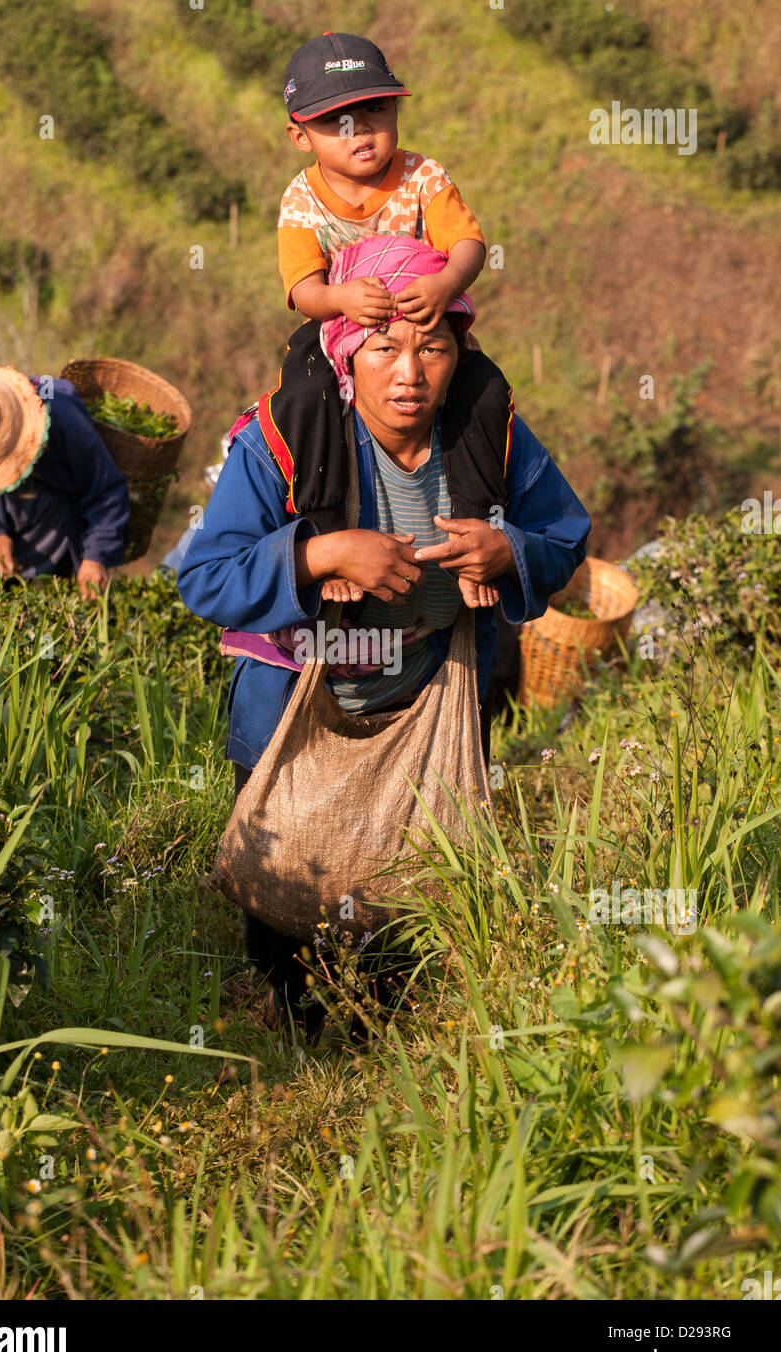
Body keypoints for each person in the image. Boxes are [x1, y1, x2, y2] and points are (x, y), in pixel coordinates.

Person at [178, 240, 591, 1035]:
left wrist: (509, 551)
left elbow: (564, 534)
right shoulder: (284, 437)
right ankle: (291, 1012)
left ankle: (384, 1025)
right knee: (283, 891)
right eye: (385, 348)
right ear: (345, 358)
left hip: (425, 690)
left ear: (457, 353)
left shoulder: (486, 431)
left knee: (409, 890)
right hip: (295, 699)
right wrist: (322, 553)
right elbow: (208, 575)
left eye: (433, 347)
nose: (411, 373)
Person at [266, 31, 514, 532]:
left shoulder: (424, 176)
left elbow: (469, 244)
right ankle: (323, 524)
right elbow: (302, 289)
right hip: (339, 328)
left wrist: (447, 284)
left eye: (375, 111)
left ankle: (474, 525)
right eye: (337, 122)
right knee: (302, 394)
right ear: (300, 136)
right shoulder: (300, 200)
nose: (360, 130)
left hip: (427, 324)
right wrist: (339, 298)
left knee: (485, 394)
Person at [0, 366, 129, 598]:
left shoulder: (65, 422)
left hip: (55, 507)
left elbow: (106, 491)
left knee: (62, 600)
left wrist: (96, 555)